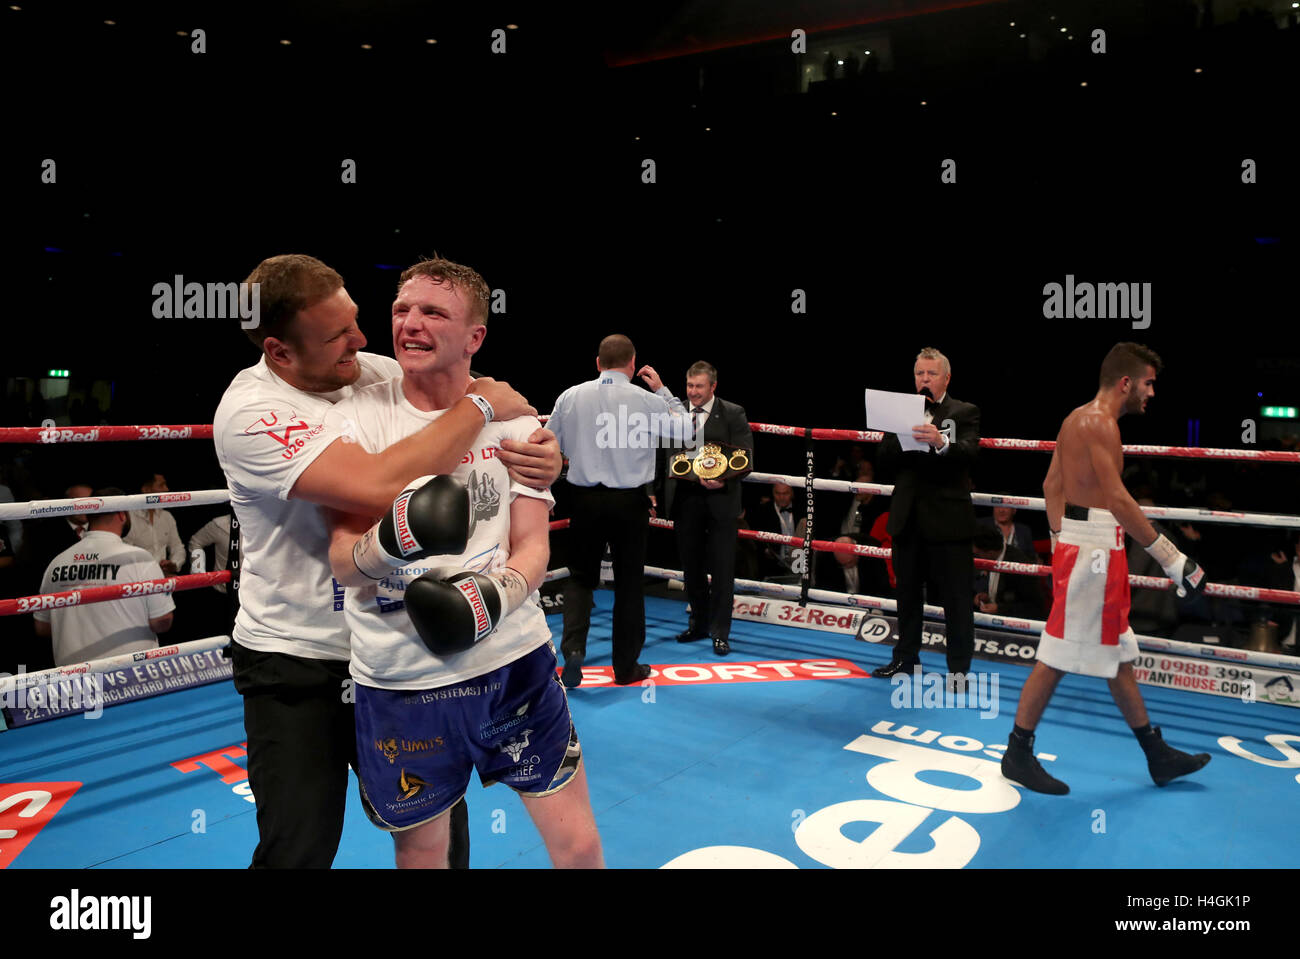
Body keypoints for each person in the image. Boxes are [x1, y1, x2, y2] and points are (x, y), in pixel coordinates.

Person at [212, 253, 561, 869]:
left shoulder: (366, 369)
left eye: (355, 320)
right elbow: (377, 486)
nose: (362, 340)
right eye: (337, 335)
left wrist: (540, 455)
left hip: (407, 649)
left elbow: (484, 397)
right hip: (299, 658)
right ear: (280, 351)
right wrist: (481, 407)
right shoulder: (250, 413)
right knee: (299, 846)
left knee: (442, 839)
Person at [323, 257, 603, 869]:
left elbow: (533, 547)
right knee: (425, 855)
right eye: (401, 309)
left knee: (578, 844)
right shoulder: (355, 420)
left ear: (475, 336)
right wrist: (393, 538)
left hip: (513, 665)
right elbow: (343, 563)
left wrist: (491, 597)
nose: (411, 324)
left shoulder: (518, 423)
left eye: (433, 312)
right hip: (401, 680)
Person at [1000, 342, 1212, 794]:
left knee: (1117, 656)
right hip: (1093, 549)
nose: (1151, 392)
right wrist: (1173, 559)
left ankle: (1156, 754)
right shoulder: (1100, 424)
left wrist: (1060, 540)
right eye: (1148, 383)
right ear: (1126, 382)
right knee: (1056, 654)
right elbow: (1117, 499)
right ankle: (1017, 751)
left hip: (1087, 546)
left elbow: (1051, 485)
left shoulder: (1075, 418)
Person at [546, 334, 687, 688]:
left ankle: (573, 651)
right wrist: (663, 390)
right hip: (629, 502)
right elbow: (688, 431)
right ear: (633, 365)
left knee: (580, 577)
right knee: (628, 584)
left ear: (598, 363)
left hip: (584, 499)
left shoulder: (571, 396)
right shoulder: (647, 400)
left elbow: (547, 444)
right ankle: (625, 668)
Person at [871, 348, 980, 687]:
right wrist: (903, 437)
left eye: (931, 374)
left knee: (956, 600)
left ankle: (959, 671)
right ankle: (905, 660)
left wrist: (941, 442)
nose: (925, 379)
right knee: (906, 595)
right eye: (920, 373)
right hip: (908, 518)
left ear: (946, 378)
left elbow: (970, 453)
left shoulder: (964, 411)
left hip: (948, 520)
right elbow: (883, 458)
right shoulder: (901, 411)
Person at [661, 361, 753, 656]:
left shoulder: (732, 413)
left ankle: (720, 633)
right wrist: (694, 475)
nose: (693, 392)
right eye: (690, 386)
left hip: (721, 501)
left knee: (723, 569)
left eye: (699, 386)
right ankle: (698, 624)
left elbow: (745, 456)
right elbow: (669, 454)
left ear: (713, 386)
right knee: (692, 568)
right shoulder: (676, 413)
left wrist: (721, 478)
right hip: (686, 499)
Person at [32, 488, 174, 665]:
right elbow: (162, 621)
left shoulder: (57, 563)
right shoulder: (138, 558)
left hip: (74, 674)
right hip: (130, 671)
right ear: (122, 515)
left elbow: (42, 626)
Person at [971, 528, 1046, 621]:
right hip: (989, 619)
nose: (976, 557)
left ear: (990, 553)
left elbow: (1034, 607)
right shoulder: (991, 557)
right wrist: (985, 595)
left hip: (1014, 623)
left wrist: (1000, 609)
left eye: (977, 554)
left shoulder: (1020, 566)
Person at [123, 473, 186, 576]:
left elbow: (177, 546)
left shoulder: (166, 517)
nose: (166, 489)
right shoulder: (129, 517)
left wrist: (174, 564)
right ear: (146, 490)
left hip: (163, 576)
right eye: (161, 485)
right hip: (137, 577)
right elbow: (124, 554)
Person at [751, 482, 805, 580]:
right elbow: (756, 537)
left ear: (792, 494)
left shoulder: (803, 510)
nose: (781, 497)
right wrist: (765, 550)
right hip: (773, 566)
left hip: (799, 564)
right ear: (773, 493)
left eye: (785, 493)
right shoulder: (763, 511)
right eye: (778, 493)